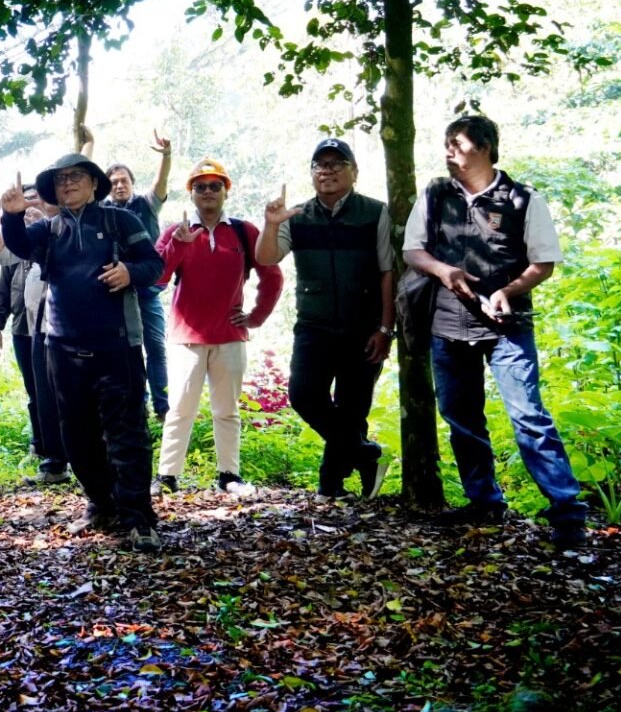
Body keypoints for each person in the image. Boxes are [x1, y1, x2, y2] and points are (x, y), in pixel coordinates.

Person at [403, 116, 587, 547]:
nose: (449, 152)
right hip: (448, 323)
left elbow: (543, 262)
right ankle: (483, 500)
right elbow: (413, 250)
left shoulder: (522, 199)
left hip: (507, 326)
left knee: (528, 417)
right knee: (462, 418)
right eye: (446, 144)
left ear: (484, 147)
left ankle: (567, 513)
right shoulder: (435, 194)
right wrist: (443, 270)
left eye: (457, 144)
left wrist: (509, 289)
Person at [0, 154, 165, 551]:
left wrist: (129, 272)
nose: (68, 184)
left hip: (117, 345)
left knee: (127, 435)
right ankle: (101, 503)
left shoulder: (119, 221)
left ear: (94, 183)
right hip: (62, 347)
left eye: (76, 177)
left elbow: (153, 263)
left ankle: (138, 518)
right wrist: (10, 216)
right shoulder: (48, 229)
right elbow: (20, 246)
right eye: (61, 180)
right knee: (75, 435)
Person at [255, 139, 395, 498]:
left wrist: (385, 327)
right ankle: (368, 454)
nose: (328, 170)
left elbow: (387, 272)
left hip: (363, 327)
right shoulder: (297, 217)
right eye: (320, 164)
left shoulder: (375, 212)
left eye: (337, 163)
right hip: (314, 325)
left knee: (352, 408)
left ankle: (331, 486)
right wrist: (271, 224)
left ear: (354, 171)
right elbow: (268, 257)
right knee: (303, 395)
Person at [153, 159, 283, 499]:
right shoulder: (176, 231)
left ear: (226, 190)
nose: (208, 192)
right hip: (186, 337)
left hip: (229, 335)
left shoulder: (243, 230)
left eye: (215, 186)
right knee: (180, 408)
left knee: (227, 409)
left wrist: (256, 316)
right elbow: (156, 278)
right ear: (191, 193)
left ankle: (229, 475)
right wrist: (178, 244)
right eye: (200, 186)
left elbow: (272, 274)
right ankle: (167, 476)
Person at [0, 201, 69, 484]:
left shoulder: (60, 240)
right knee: (42, 397)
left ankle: (84, 461)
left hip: (67, 337)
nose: (32, 212)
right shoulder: (23, 254)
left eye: (38, 207)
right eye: (27, 209)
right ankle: (53, 460)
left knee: (71, 398)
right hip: (35, 335)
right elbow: (1, 259)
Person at [98, 130, 174, 422]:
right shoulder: (102, 211)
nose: (119, 186)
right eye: (114, 182)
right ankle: (135, 404)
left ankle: (163, 408)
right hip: (114, 292)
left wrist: (166, 156)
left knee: (155, 346)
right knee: (125, 350)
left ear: (132, 184)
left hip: (146, 288)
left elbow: (162, 183)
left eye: (123, 181)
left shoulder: (146, 204)